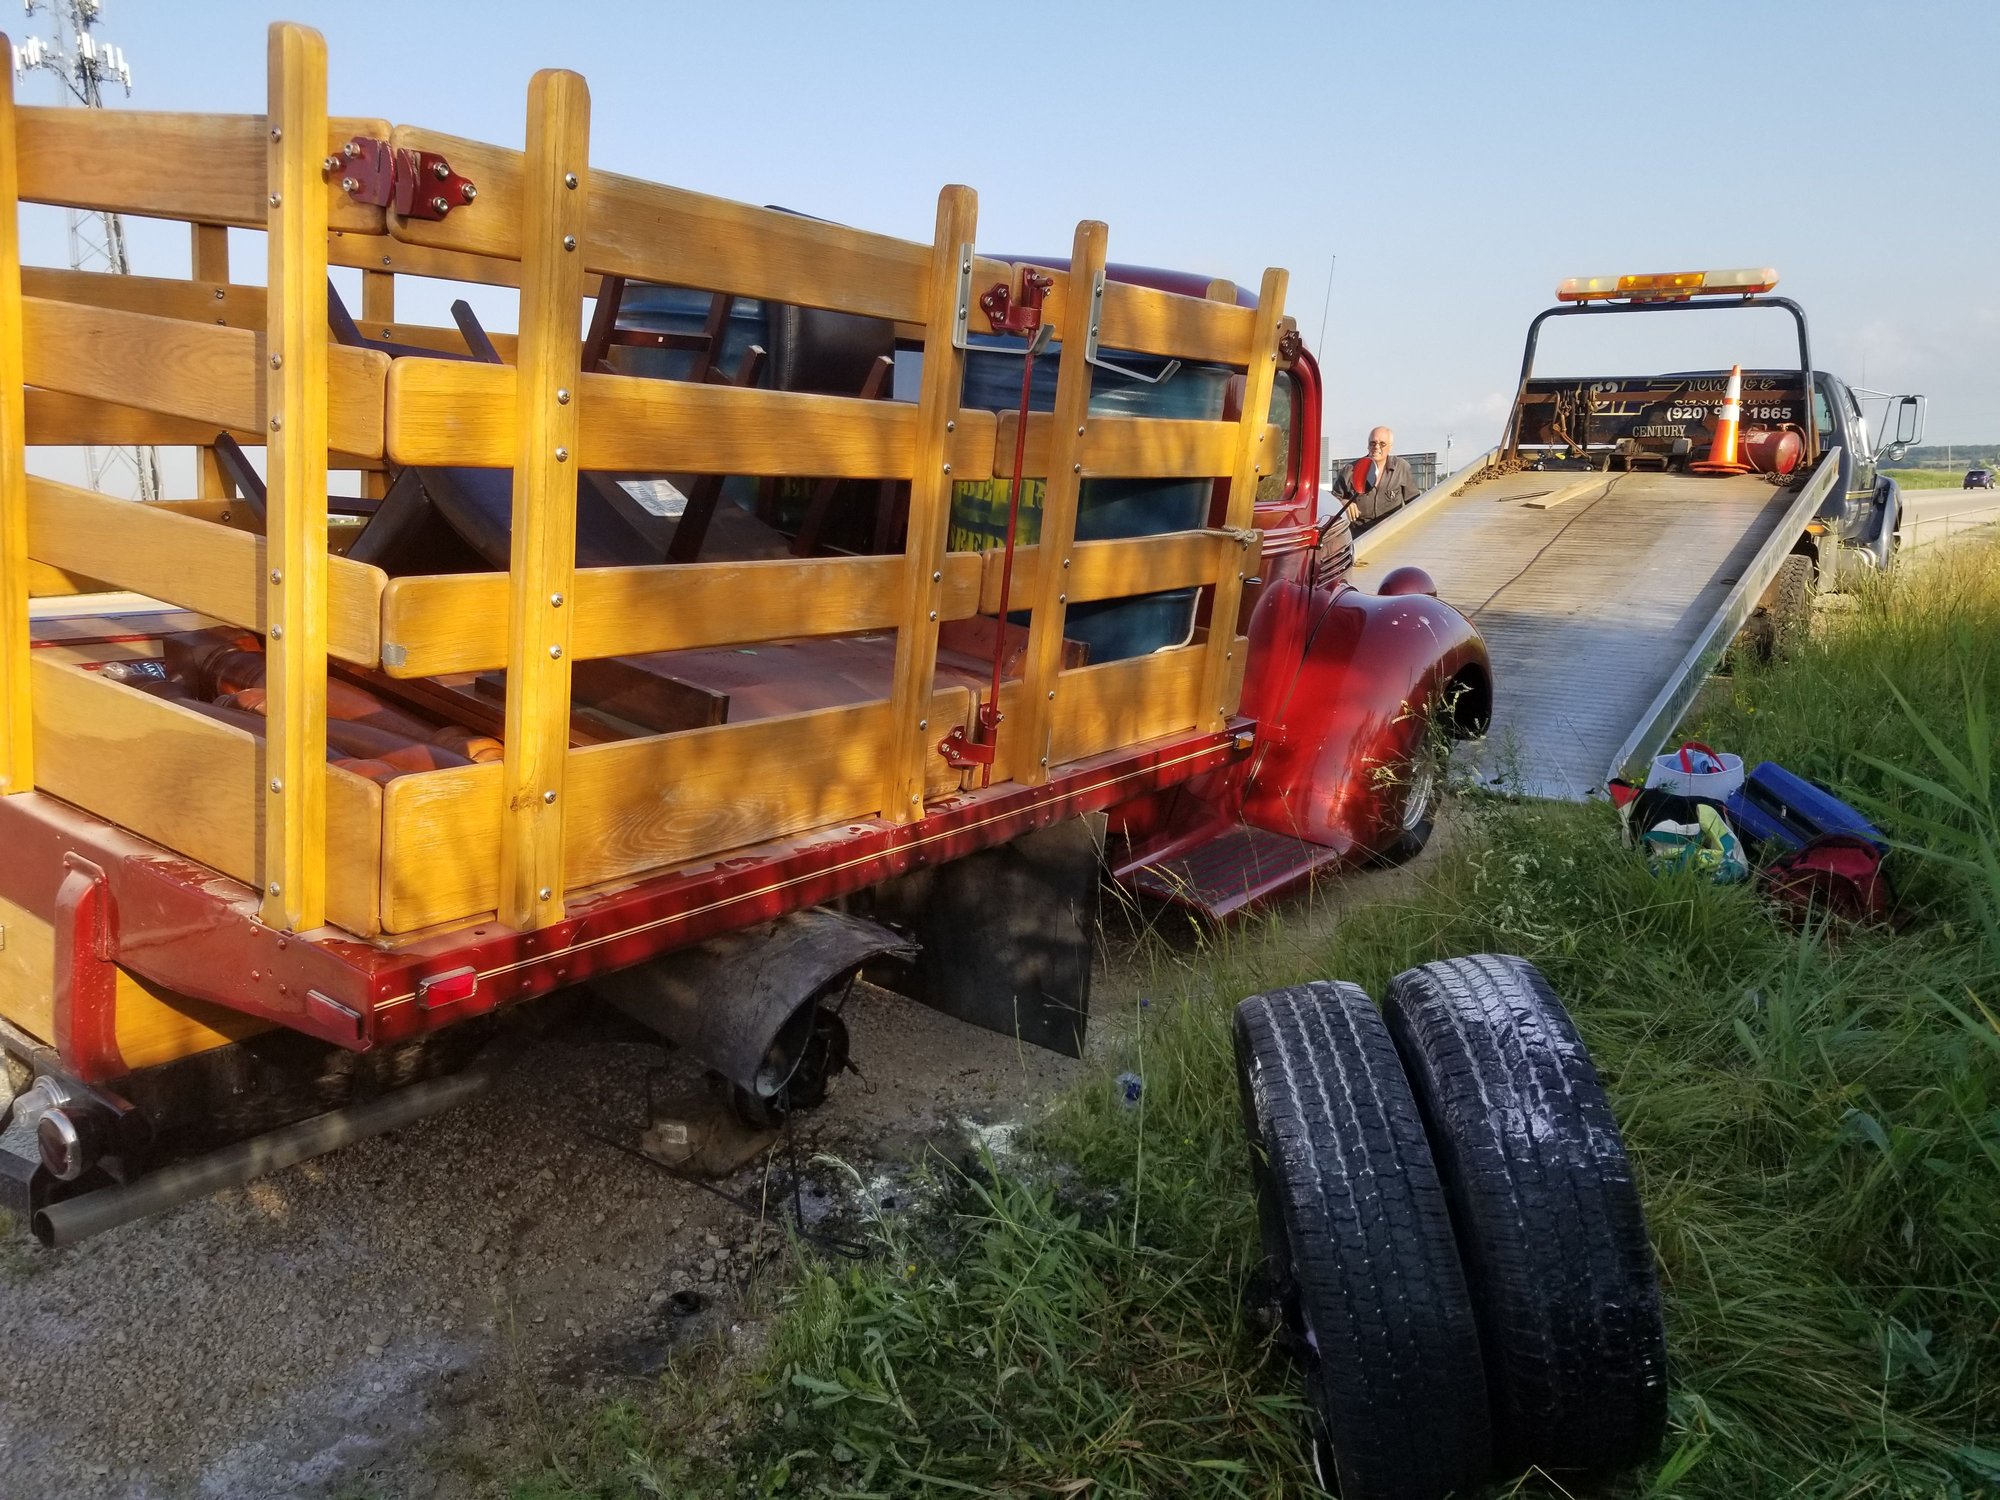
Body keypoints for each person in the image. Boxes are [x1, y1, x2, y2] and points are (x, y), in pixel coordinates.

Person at [1335, 426, 1419, 534]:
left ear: (1390, 447)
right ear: (1367, 445)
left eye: (1382, 444)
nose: (1376, 447)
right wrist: (1343, 503)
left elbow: (1415, 503)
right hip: (1358, 537)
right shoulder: (1349, 470)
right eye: (1372, 443)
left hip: (1390, 535)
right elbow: (1332, 499)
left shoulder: (1401, 468)